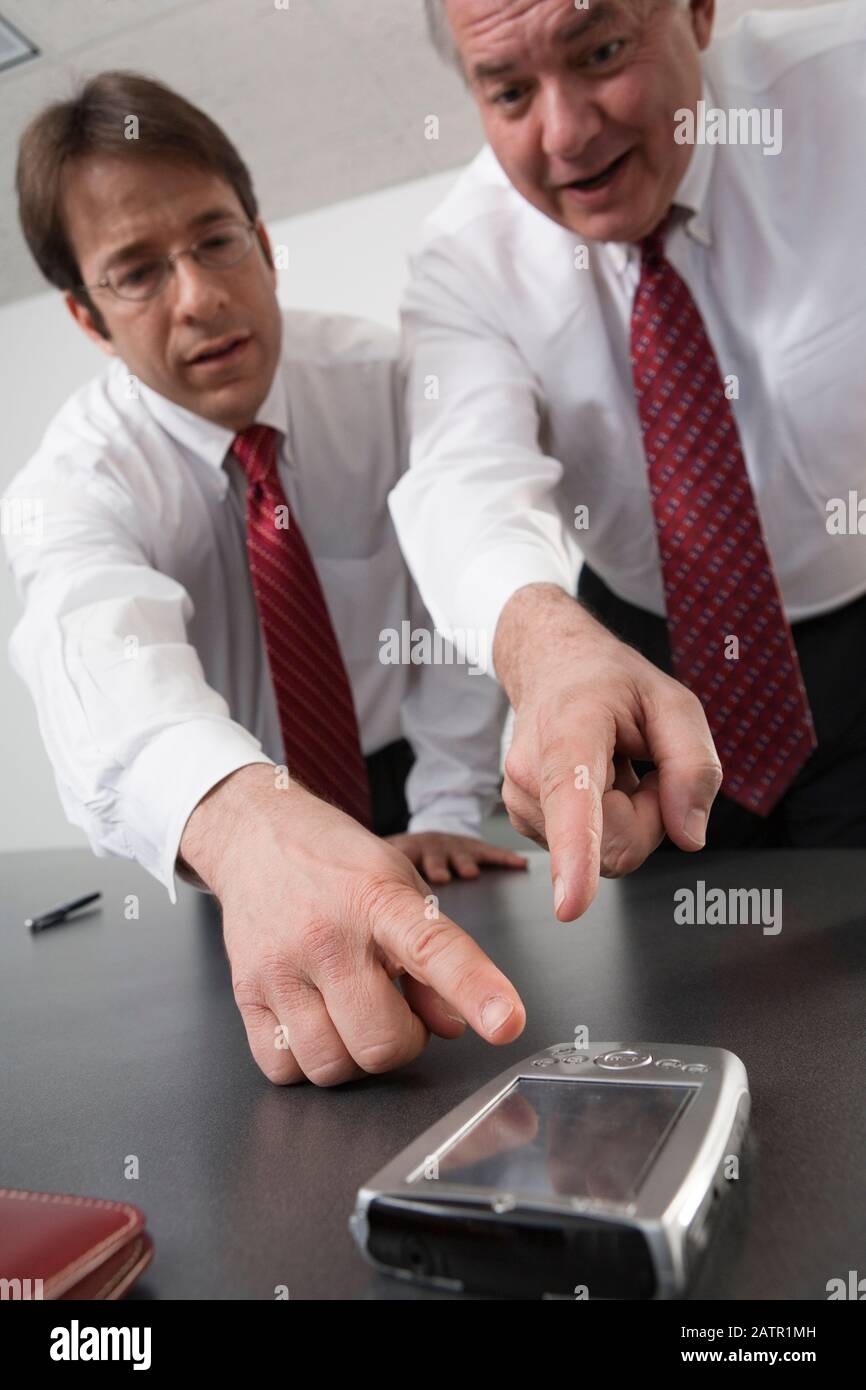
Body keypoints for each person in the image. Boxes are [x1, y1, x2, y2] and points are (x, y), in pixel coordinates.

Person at [3, 72, 529, 1088]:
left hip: (407, 781)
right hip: (231, 821)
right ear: (83, 316)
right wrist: (241, 834)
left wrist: (451, 805)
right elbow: (95, 651)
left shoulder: (385, 382)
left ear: (265, 239)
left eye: (214, 240)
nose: (199, 296)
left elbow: (449, 611)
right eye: (137, 272)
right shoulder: (73, 482)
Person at [390, 0, 866, 923]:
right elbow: (464, 477)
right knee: (693, 976)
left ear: (697, 12)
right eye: (511, 91)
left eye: (602, 50)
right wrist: (542, 650)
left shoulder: (847, 87)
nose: (565, 132)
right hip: (638, 662)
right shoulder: (461, 257)